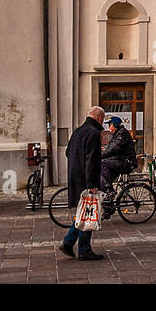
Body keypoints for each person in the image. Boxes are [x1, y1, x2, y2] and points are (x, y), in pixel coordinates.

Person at [60, 106, 104, 262]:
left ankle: (69, 242)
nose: (103, 122)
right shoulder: (93, 133)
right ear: (99, 118)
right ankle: (83, 249)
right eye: (103, 119)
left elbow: (67, 153)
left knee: (84, 212)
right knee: (89, 213)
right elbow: (91, 161)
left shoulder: (78, 131)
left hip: (75, 178)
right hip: (86, 180)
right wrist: (92, 184)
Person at [99, 116, 136, 194]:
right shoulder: (117, 133)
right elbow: (110, 148)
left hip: (126, 162)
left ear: (114, 125)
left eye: (109, 125)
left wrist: (100, 156)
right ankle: (107, 198)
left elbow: (114, 149)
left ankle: (109, 192)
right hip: (119, 161)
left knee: (103, 164)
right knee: (103, 179)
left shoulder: (122, 133)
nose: (108, 127)